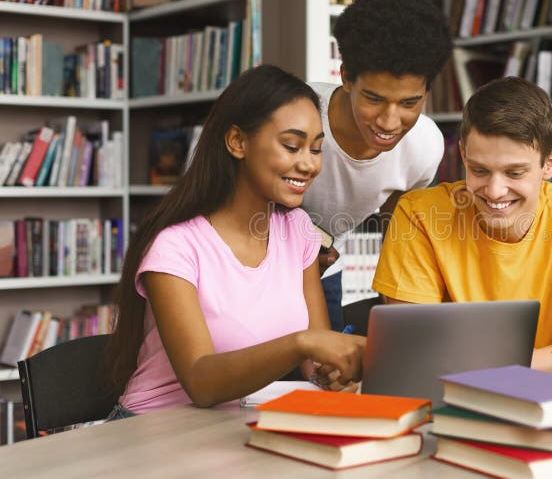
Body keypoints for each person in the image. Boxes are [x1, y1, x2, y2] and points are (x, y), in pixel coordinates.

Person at [104, 65, 365, 417]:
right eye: (292, 145)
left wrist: (336, 374)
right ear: (237, 142)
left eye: (316, 149)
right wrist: (302, 343)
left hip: (233, 424)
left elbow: (315, 369)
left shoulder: (299, 230)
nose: (308, 165)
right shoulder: (176, 247)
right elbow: (201, 383)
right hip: (154, 428)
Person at [371, 77, 552, 373]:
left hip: (546, 399)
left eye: (514, 173)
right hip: (450, 398)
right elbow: (415, 349)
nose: (494, 190)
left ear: (550, 164)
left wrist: (483, 361)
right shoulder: (419, 214)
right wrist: (540, 361)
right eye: (479, 170)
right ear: (463, 154)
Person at [302, 0, 453, 331]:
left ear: (427, 92)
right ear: (345, 78)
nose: (388, 121)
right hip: (244, 272)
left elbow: (397, 235)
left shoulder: (425, 145)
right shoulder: (292, 113)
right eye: (373, 98)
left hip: (325, 273)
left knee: (325, 380)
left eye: (409, 103)